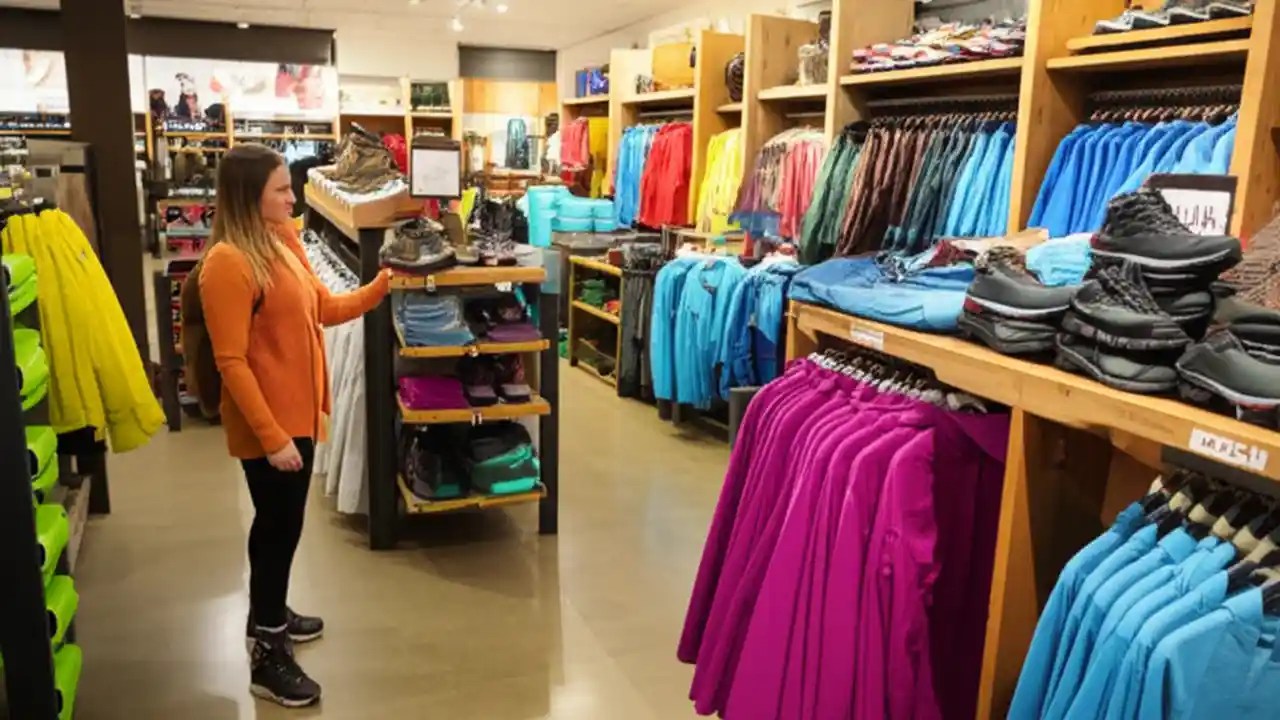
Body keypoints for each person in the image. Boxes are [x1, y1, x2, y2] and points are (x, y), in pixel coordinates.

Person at [198, 143, 391, 708]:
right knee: (278, 533)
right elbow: (231, 361)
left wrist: (383, 285)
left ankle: (270, 613)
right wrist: (273, 437)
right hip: (269, 427)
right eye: (281, 189)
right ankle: (268, 653)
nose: (292, 197)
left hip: (298, 416)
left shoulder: (283, 242)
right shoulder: (227, 263)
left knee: (278, 527)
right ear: (248, 196)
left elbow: (322, 309)